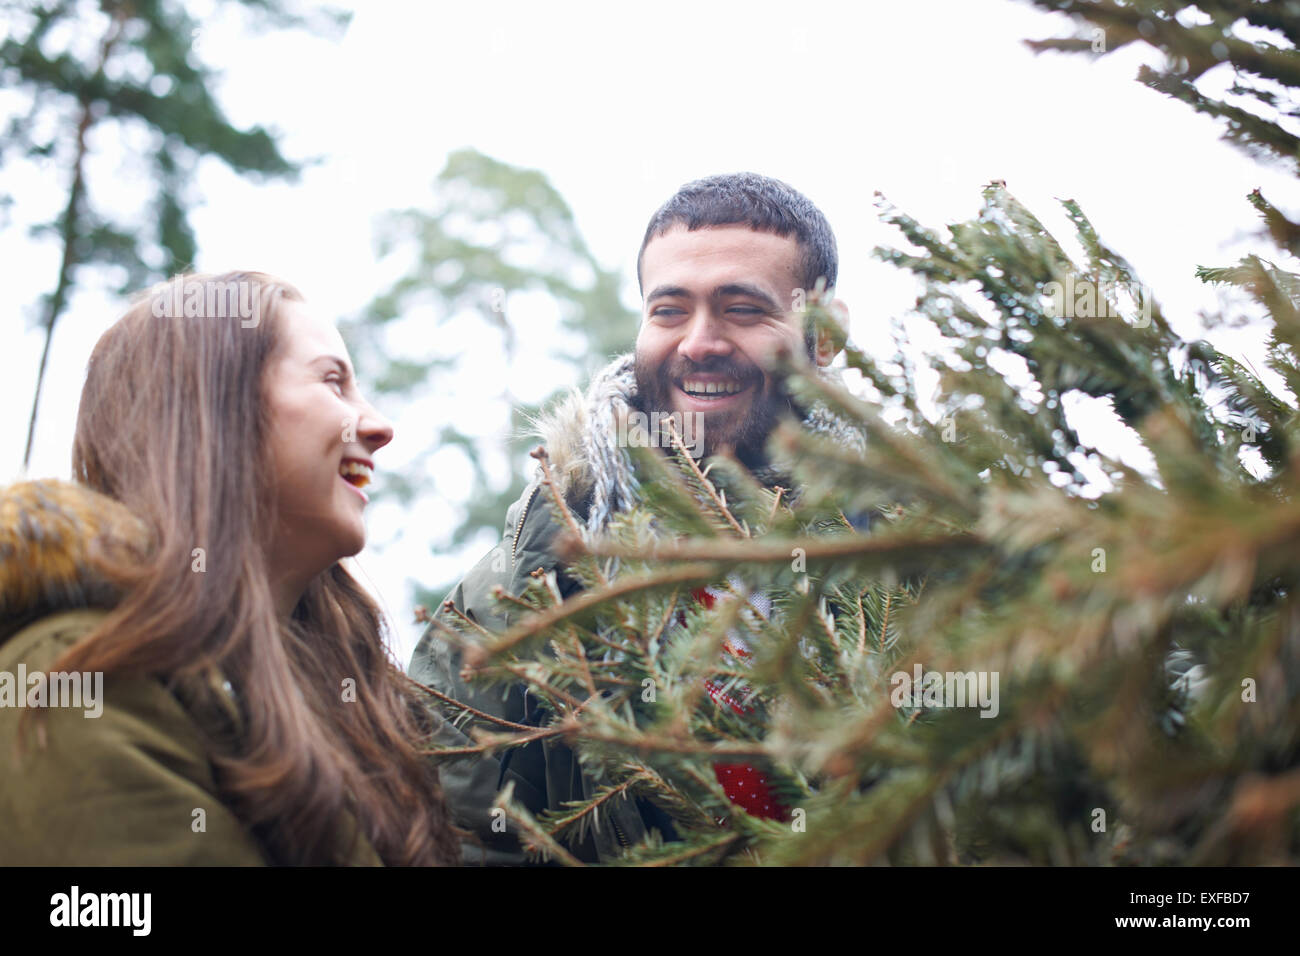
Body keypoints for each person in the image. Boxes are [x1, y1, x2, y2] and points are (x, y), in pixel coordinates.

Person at [410, 172, 863, 864]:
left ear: (825, 336)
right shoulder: (539, 563)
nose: (699, 342)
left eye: (742, 309)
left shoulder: (924, 550)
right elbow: (447, 827)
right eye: (670, 310)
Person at [0, 271, 460, 865]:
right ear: (213, 408)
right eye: (332, 382)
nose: (378, 426)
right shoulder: (75, 674)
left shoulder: (360, 705)